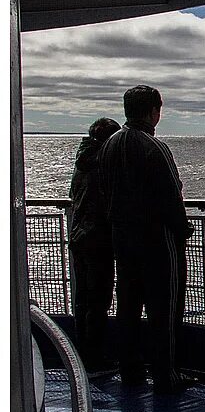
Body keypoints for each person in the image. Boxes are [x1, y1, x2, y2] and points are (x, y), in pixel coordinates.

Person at [99, 85, 195, 394]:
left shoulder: (110, 146)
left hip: (122, 238)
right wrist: (183, 230)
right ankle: (166, 374)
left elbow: (104, 190)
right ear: (153, 112)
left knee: (127, 304)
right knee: (163, 308)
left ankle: (130, 369)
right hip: (156, 240)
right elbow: (171, 196)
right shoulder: (154, 147)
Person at [69, 117, 121, 372]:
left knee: (82, 301)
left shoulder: (82, 161)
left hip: (78, 236)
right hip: (98, 239)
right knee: (98, 301)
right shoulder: (103, 164)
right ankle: (94, 359)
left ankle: (81, 357)